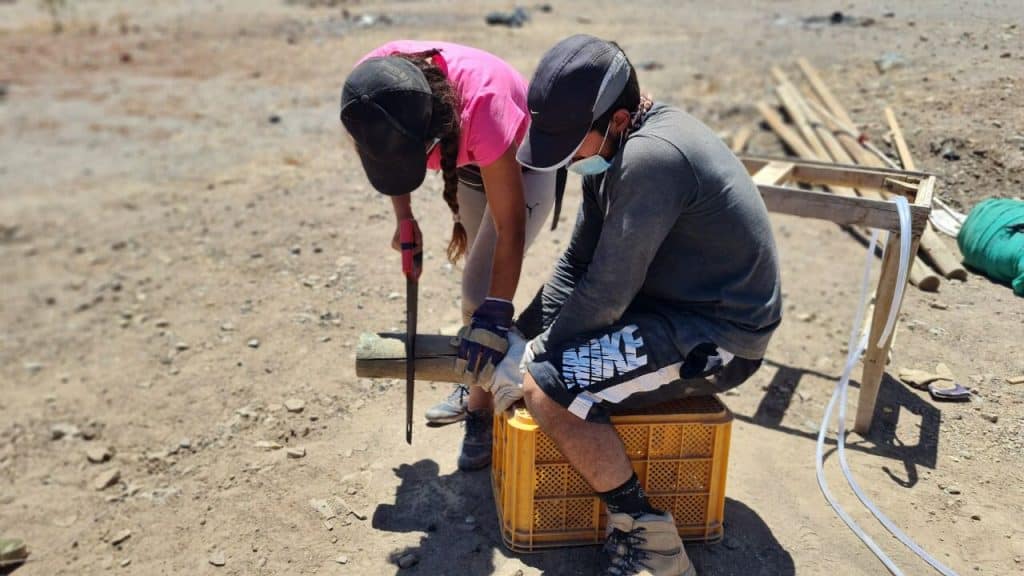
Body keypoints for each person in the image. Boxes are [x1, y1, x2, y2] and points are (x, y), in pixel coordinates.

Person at [485, 35, 783, 575]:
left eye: (574, 145)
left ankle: (652, 540)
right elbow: (577, 265)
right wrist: (517, 331)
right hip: (672, 306)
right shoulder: (616, 147)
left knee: (550, 386)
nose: (570, 159)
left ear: (618, 119)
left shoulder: (650, 160)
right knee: (546, 362)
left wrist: (533, 357)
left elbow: (605, 293)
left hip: (717, 334)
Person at [339, 41, 558, 470]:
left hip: (522, 168)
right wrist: (405, 220)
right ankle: (477, 376)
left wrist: (496, 312)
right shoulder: (371, 89)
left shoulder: (484, 106)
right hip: (473, 163)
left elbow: (510, 227)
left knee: (480, 297)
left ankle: (478, 407)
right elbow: (388, 157)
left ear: (432, 127)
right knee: (478, 299)